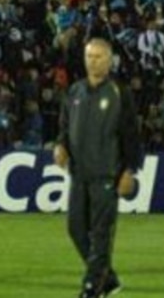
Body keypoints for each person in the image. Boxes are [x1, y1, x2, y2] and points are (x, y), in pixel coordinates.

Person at [54, 38, 143, 298]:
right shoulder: (74, 91)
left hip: (107, 175)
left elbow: (131, 136)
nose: (93, 61)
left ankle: (91, 288)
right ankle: (109, 279)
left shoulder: (119, 92)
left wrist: (129, 170)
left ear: (109, 60)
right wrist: (60, 146)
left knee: (101, 233)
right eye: (89, 56)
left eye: (99, 57)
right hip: (79, 174)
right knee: (76, 229)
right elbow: (64, 127)